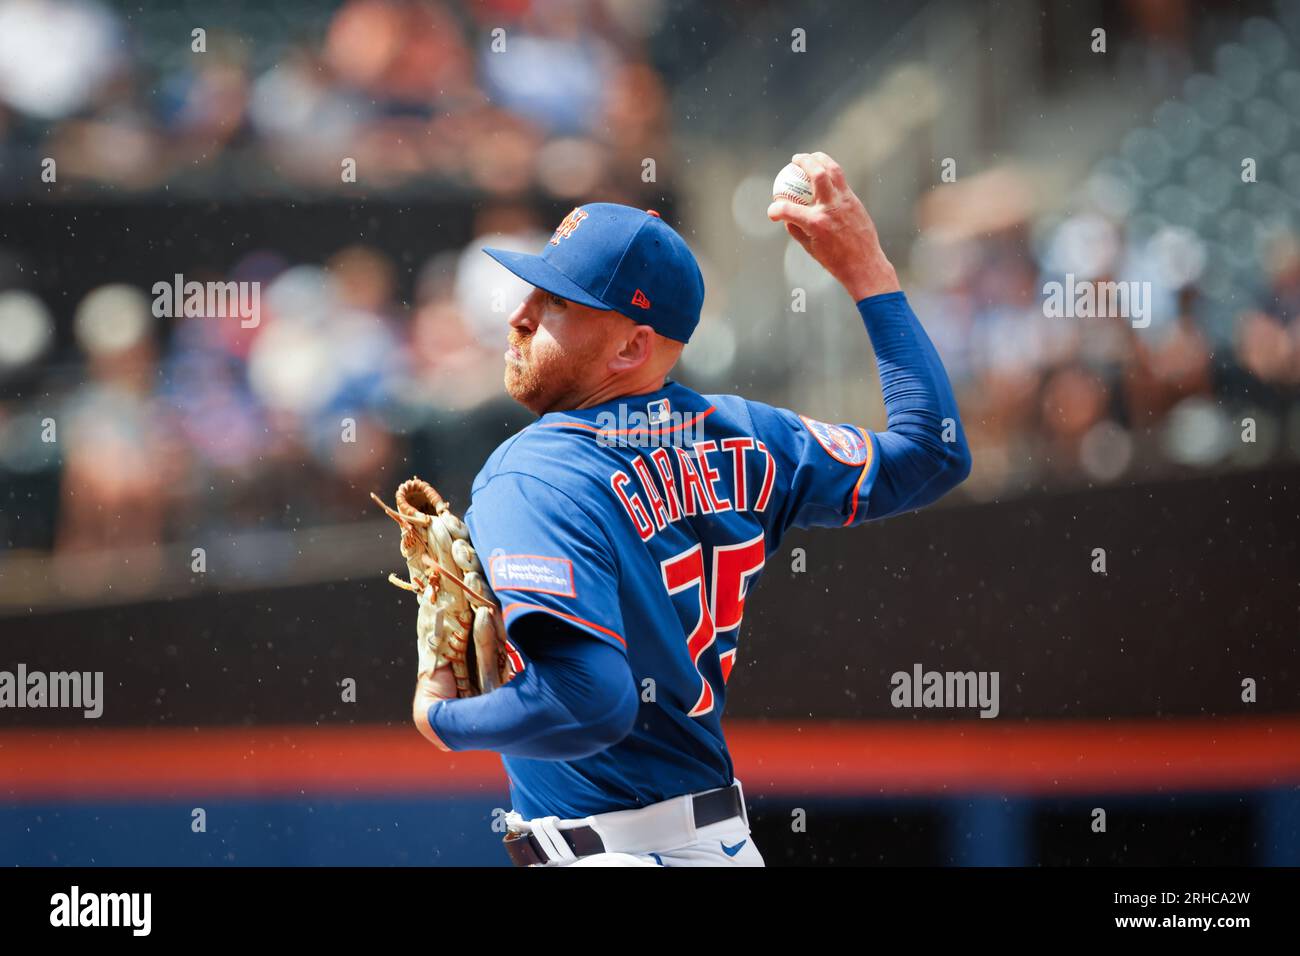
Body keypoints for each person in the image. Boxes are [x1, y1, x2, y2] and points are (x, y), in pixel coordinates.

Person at [409, 152, 972, 866]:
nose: (517, 315)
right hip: (720, 847)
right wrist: (870, 277)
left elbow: (593, 701)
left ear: (632, 346)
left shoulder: (535, 472)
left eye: (556, 304)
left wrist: (443, 719)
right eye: (530, 291)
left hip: (607, 852)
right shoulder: (751, 437)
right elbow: (932, 452)